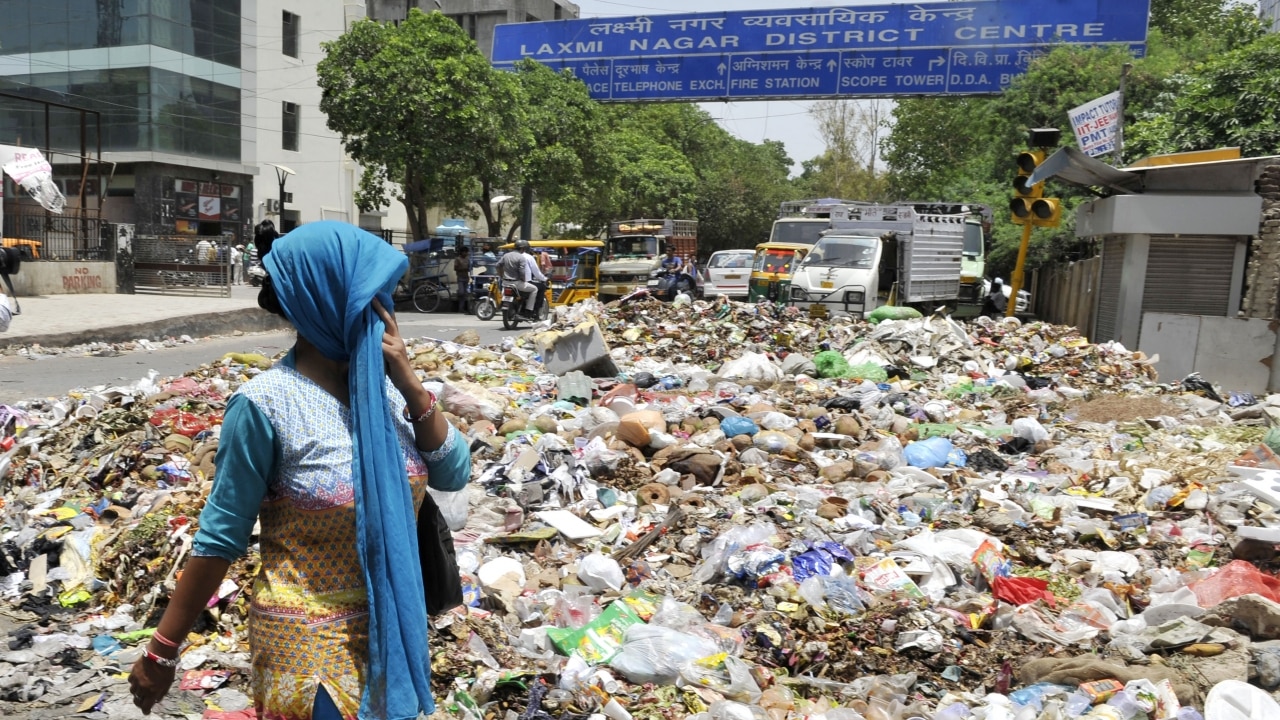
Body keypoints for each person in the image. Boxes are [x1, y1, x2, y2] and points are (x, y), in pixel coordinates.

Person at [127, 221, 472, 720]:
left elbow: (453, 473)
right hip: (307, 639)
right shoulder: (264, 406)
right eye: (371, 295)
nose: (384, 310)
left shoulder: (386, 391)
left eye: (385, 295)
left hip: (391, 628)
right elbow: (221, 535)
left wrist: (411, 381)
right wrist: (161, 649)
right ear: (326, 300)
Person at [453, 247, 471, 312]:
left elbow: (469, 267)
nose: (466, 253)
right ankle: (459, 306)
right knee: (461, 292)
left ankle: (462, 308)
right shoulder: (457, 259)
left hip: (466, 277)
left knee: (465, 294)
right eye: (464, 252)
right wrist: (463, 269)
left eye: (466, 252)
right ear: (461, 252)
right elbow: (455, 268)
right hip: (460, 277)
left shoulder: (467, 259)